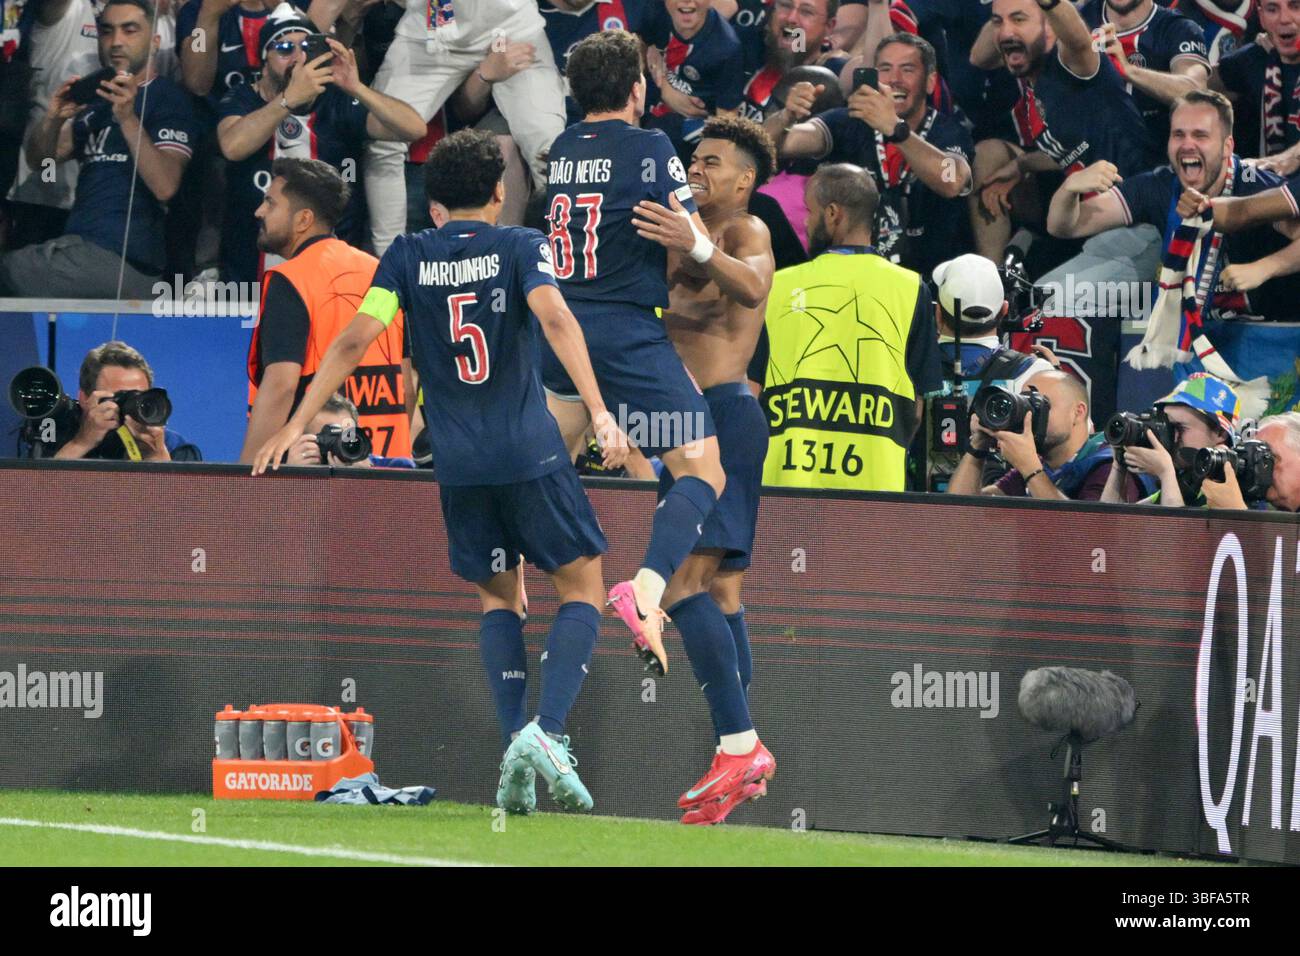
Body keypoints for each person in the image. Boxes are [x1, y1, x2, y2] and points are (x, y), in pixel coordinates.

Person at [253, 129, 631, 816]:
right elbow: (554, 317)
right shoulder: (520, 246)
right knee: (582, 591)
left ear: (434, 201)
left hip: (457, 465)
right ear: (497, 193)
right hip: (528, 452)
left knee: (499, 601)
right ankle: (546, 732)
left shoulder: (405, 255)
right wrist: (600, 409)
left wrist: (292, 422)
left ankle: (515, 739)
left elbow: (354, 339)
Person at [539, 30, 728, 682]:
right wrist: (699, 242)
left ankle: (557, 611)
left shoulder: (562, 149)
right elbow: (693, 240)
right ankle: (645, 590)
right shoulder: (651, 145)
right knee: (703, 469)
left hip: (560, 335)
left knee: (547, 469)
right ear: (637, 89)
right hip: (625, 336)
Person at [631, 115, 777, 825]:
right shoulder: (674, 238)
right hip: (682, 429)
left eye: (713, 162)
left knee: (683, 585)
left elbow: (750, 289)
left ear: (744, 180)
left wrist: (691, 239)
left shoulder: (746, 232)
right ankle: (736, 758)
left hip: (725, 417)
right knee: (718, 595)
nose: (698, 168)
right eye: (694, 158)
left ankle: (737, 744)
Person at [1048, 90, 1300, 337]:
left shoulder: (1255, 183)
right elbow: (1065, 227)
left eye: (1200, 135)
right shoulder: (1159, 184)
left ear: (1226, 146)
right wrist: (1069, 190)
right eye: (1178, 134)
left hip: (1268, 333)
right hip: (1190, 330)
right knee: (1059, 298)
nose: (1187, 144)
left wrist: (1265, 267)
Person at [763, 162, 943, 491]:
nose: (804, 221)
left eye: (809, 211)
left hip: (784, 484)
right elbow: (916, 410)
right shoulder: (911, 288)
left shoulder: (777, 286)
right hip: (875, 489)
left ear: (832, 214)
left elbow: (753, 391)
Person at [0, 0, 197, 298]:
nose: (116, 41)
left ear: (155, 42)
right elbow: (42, 160)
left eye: (129, 31)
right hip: (80, 250)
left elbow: (166, 186)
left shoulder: (168, 99)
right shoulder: (97, 103)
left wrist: (128, 119)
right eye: (107, 31)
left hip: (124, 258)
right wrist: (53, 119)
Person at [215, 13, 424, 281]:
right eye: (284, 49)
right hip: (249, 270)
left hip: (330, 275)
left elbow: (414, 129)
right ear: (264, 63)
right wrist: (288, 100)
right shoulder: (243, 97)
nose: (297, 58)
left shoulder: (337, 102)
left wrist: (357, 88)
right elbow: (233, 146)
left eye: (305, 48)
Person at [239, 158, 413, 464]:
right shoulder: (382, 272)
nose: (259, 211)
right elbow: (406, 381)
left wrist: (249, 476)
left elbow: (281, 386)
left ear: (303, 220)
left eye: (270, 203)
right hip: (384, 473)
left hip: (316, 475)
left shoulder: (291, 278)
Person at [363, 0, 567, 255]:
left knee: (548, 148)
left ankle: (569, 260)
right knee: (384, 136)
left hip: (510, 30)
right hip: (431, 33)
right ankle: (388, 264)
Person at [968, 0, 1159, 262]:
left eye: (1020, 19)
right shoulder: (1034, 92)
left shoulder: (1074, 65)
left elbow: (1080, 42)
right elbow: (979, 57)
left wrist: (1049, 4)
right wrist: (1022, 165)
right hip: (1093, 229)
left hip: (1140, 222)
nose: (1005, 32)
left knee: (1049, 300)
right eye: (998, 22)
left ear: (1049, 28)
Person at [775, 31, 972, 276]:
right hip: (855, 277)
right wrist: (786, 116)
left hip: (930, 283)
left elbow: (951, 181)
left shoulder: (949, 132)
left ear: (930, 81)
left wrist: (895, 129)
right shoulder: (848, 121)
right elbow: (777, 144)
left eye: (907, 69)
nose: (895, 79)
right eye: (885, 69)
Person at [924, 252, 1054, 490]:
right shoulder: (1037, 374)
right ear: (1004, 311)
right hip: (1002, 518)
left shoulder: (907, 370)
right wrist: (1054, 376)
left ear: (938, 313)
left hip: (909, 512)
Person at [947, 369, 1139, 500]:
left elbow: (1085, 537)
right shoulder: (1042, 465)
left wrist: (1031, 469)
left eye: (1041, 406)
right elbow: (961, 513)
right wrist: (977, 447)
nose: (1030, 415)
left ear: (1078, 413)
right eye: (1025, 404)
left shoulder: (1111, 465)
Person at [1079, 0, 1211, 145]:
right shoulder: (1079, 20)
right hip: (1089, 157)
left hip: (1156, 159)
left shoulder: (1178, 29)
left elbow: (1196, 93)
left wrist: (1128, 70)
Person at [1100, 373, 1238, 506]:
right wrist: (1119, 465)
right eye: (1166, 425)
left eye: (1180, 428)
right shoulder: (1187, 481)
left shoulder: (1237, 488)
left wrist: (1166, 474)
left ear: (1220, 433)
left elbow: (1174, 529)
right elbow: (1110, 525)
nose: (1171, 435)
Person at [54, 341, 201, 461]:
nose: (129, 407)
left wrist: (157, 457)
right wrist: (81, 444)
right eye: (120, 397)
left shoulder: (174, 447)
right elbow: (38, 493)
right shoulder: (57, 439)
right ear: (84, 398)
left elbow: (184, 497)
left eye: (138, 397)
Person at [1213, 0, 1300, 168]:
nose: (1284, 19)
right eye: (1272, 9)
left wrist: (1280, 161)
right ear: (1261, 17)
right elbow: (1194, 84)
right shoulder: (1255, 57)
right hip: (1266, 183)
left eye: (1296, 6)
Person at [285, 392, 417, 467]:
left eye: (346, 437)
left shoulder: (396, 468)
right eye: (328, 438)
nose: (339, 445)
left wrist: (366, 480)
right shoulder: (293, 475)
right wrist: (293, 476)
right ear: (304, 441)